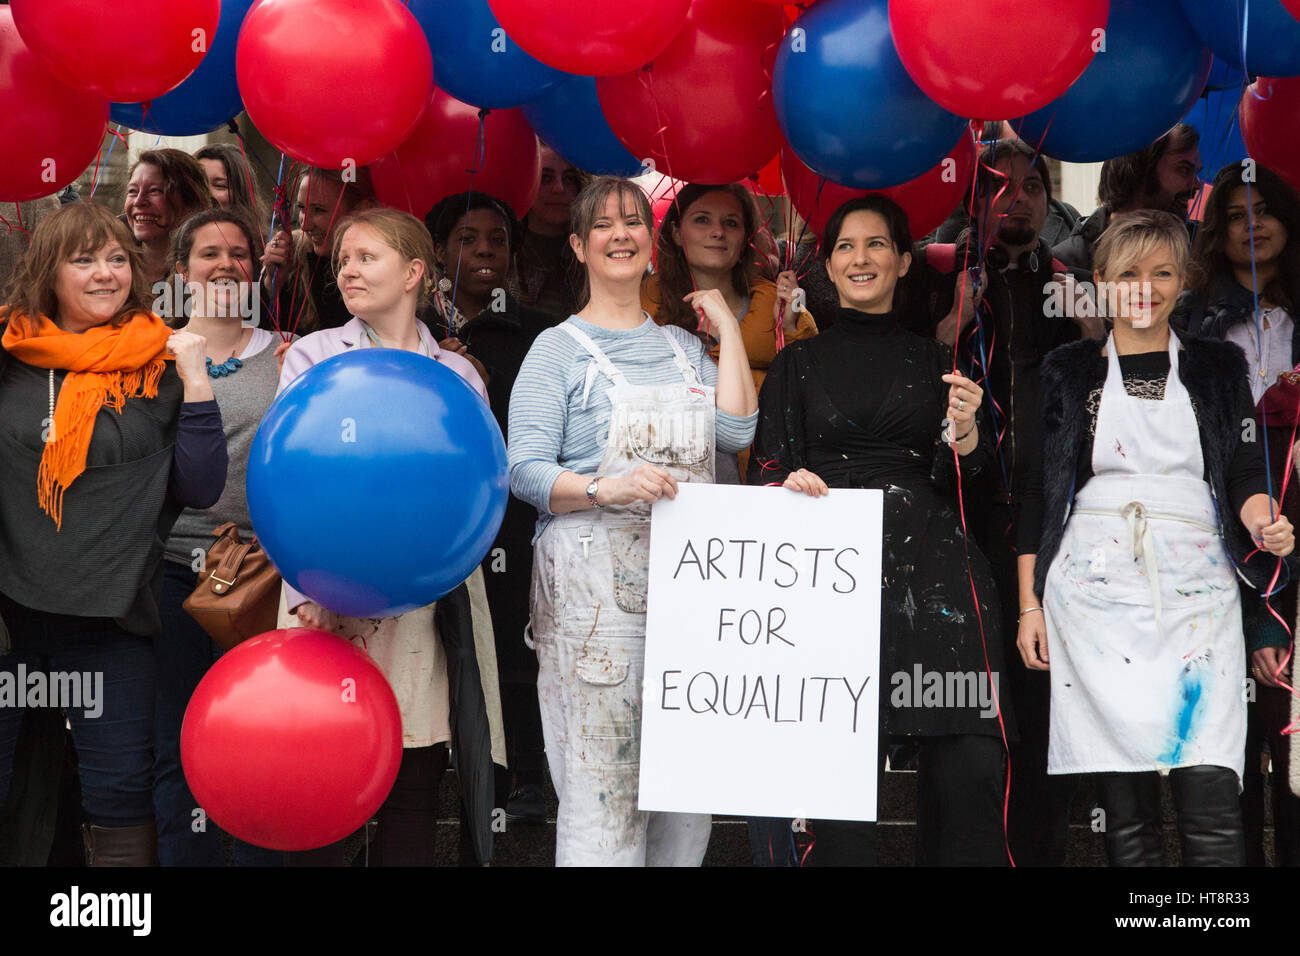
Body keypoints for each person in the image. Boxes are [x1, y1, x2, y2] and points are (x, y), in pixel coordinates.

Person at [1016, 210, 1294, 867]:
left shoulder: (1219, 368)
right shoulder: (1069, 371)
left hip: (1199, 590)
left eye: (1163, 272)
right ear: (1102, 282)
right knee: (1127, 802)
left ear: (1184, 281)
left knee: (1209, 781)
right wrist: (1030, 605)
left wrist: (1262, 520)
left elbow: (1243, 472)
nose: (1146, 286)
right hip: (1094, 594)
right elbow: (1039, 496)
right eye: (1130, 273)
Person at [750, 194, 1011, 866]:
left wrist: (971, 436)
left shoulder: (942, 365)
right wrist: (787, 487)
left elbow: (980, 488)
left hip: (938, 586)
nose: (859, 257)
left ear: (901, 261)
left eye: (875, 245)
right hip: (829, 590)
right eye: (844, 246)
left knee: (971, 774)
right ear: (827, 267)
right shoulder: (796, 365)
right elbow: (765, 473)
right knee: (838, 803)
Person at [509, 176, 757, 866]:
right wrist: (606, 488)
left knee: (686, 798)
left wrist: (729, 329)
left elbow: (735, 433)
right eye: (604, 226)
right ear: (579, 247)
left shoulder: (683, 348)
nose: (621, 235)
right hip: (593, 605)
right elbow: (524, 471)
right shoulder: (555, 350)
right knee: (602, 796)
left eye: (634, 223)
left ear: (653, 243)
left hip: (689, 599)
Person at [0, 202, 226, 866]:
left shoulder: (159, 361)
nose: (105, 274)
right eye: (84, 259)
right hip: (9, 615)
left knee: (121, 794)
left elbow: (200, 486)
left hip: (112, 618)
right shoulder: (10, 355)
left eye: (118, 258)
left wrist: (195, 377)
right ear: (47, 271)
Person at [277, 207, 504, 866]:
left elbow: (477, 493)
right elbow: (292, 483)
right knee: (325, 780)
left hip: (428, 602)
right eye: (343, 259)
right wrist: (308, 592)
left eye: (366, 257)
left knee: (414, 775)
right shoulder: (315, 357)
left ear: (413, 273)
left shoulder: (459, 377)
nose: (348, 270)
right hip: (323, 593)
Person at [915, 137, 1093, 865]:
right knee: (958, 722)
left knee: (1048, 715)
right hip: (961, 521)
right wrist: (947, 326)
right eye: (999, 185)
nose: (1016, 198)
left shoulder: (1072, 283)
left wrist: (1091, 332)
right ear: (970, 198)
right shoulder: (933, 274)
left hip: (1055, 526)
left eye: (1032, 186)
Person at [153, 208, 291, 867]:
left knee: (262, 745)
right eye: (209, 253)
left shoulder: (292, 353)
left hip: (265, 573)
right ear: (181, 271)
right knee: (178, 740)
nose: (227, 263)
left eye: (241, 252)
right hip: (173, 570)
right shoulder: (152, 352)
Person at [1179, 162, 1300, 865]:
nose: (1251, 223)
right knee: (1232, 742)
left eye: (1264, 209)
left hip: (1295, 522)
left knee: (1291, 734)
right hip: (1217, 529)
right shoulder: (1194, 321)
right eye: (1233, 213)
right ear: (1216, 231)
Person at [425, 191, 558, 823]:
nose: (483, 252)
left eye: (497, 240)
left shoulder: (537, 332)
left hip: (511, 512)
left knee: (516, 640)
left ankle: (524, 775)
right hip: (425, 515)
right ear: (436, 251)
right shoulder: (412, 327)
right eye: (467, 239)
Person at [643, 182, 817, 481]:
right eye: (702, 219)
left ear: (745, 239)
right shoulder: (642, 301)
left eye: (731, 223)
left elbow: (812, 392)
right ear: (675, 232)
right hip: (663, 484)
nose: (718, 232)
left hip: (761, 480)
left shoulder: (778, 304)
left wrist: (789, 326)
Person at [1053, 124, 1202, 272]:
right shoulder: (1067, 264)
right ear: (1142, 169)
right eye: (1184, 169)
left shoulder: (1202, 249)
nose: (1196, 184)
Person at [261, 166, 378, 333]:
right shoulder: (290, 253)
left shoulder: (386, 268)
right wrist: (270, 284)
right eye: (301, 208)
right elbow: (246, 328)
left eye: (319, 210)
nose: (305, 225)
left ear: (362, 209)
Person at [123, 149, 215, 290]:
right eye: (132, 191)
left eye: (155, 190)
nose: (138, 201)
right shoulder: (111, 268)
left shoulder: (210, 277)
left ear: (192, 203)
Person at [513, 142, 585, 319]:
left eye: (569, 179)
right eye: (545, 178)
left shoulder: (597, 254)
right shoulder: (504, 253)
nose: (559, 188)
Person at [193, 143, 267, 231]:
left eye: (219, 186)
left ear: (241, 194)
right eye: (199, 183)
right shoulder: (175, 240)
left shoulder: (258, 243)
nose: (206, 193)